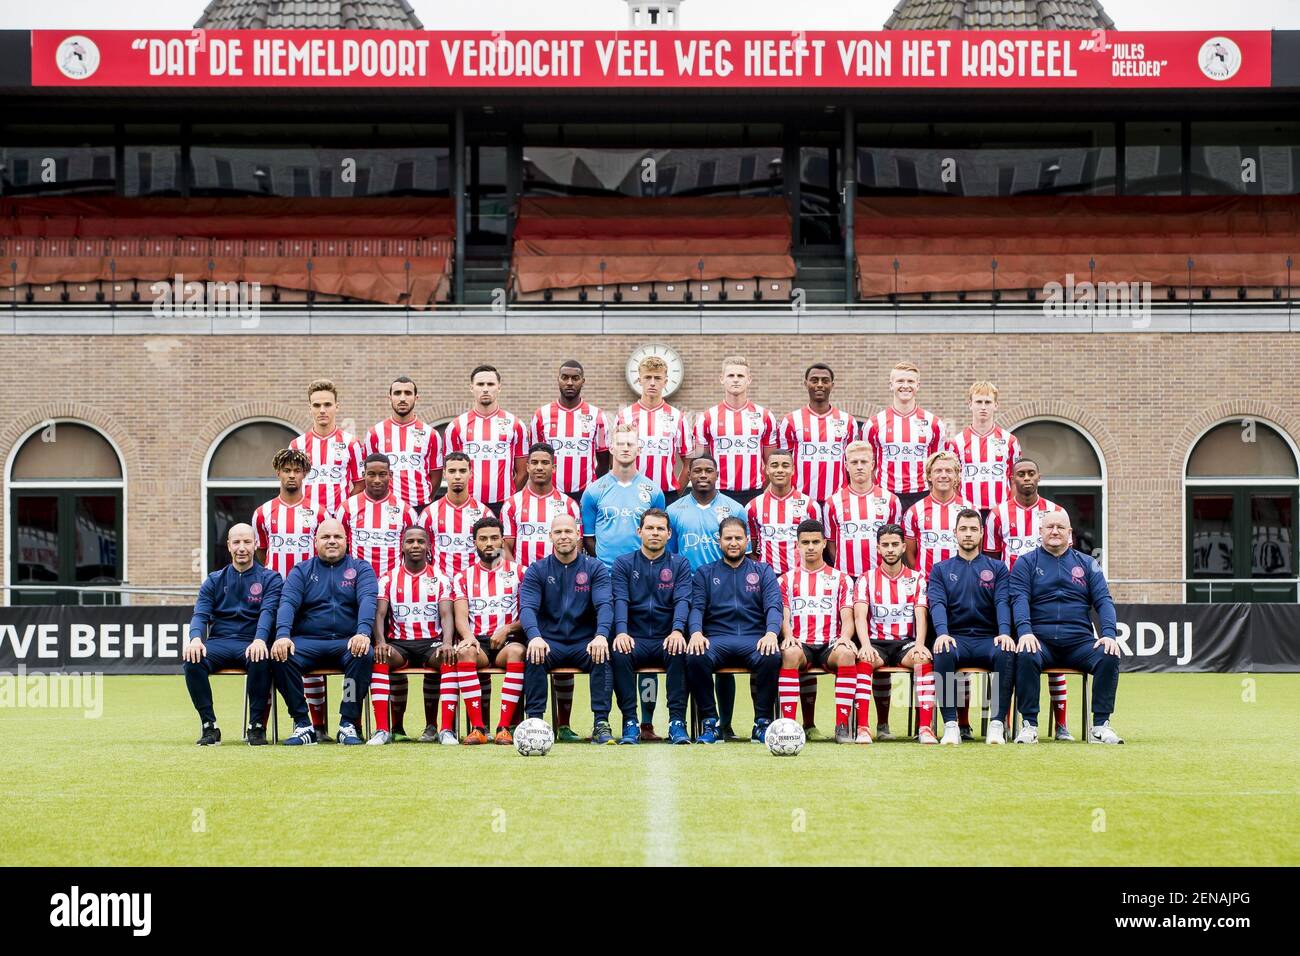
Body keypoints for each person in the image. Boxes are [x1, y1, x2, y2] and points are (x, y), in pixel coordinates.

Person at [1010, 511, 1125, 745]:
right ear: (1040, 532)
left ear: (1070, 533)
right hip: (1041, 641)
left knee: (1108, 654)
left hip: (1079, 643)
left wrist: (1109, 635)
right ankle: (1029, 725)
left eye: (1060, 527)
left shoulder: (1088, 563)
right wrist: (1025, 632)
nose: (1054, 531)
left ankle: (1100, 725)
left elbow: (1104, 601)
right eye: (1049, 527)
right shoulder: (1026, 562)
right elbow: (1019, 599)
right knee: (1025, 653)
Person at [581, 424, 666, 738]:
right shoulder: (595, 490)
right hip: (606, 578)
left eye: (631, 443)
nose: (626, 448)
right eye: (620, 443)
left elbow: (658, 532)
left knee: (645, 647)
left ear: (639, 448)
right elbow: (588, 538)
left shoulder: (652, 490)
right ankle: (606, 720)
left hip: (646, 577)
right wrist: (609, 568)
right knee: (609, 647)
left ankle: (646, 722)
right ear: (611, 449)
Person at [983, 456, 1073, 739]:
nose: (1026, 478)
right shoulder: (997, 514)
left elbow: (1067, 555)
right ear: (1012, 479)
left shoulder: (1055, 512)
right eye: (1020, 474)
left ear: (1038, 477)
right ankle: (1002, 721)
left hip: (1044, 597)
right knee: (1006, 659)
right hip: (1008, 597)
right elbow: (992, 560)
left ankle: (1061, 723)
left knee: (1053, 657)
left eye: (1030, 473)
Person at [270, 519, 378, 745]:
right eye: (325, 537)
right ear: (315, 541)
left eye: (337, 537)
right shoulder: (301, 570)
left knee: (364, 654)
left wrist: (363, 633)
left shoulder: (361, 568)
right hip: (308, 641)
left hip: (346, 642)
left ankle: (347, 722)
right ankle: (303, 723)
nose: (331, 541)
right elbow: (287, 603)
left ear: (346, 541)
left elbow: (368, 601)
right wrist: (282, 635)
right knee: (280, 656)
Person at [667, 455, 747, 739]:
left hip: (722, 595)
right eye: (697, 470)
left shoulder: (734, 508)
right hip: (687, 594)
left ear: (717, 474)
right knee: (690, 657)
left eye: (708, 470)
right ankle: (687, 721)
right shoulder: (674, 510)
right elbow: (672, 556)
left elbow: (742, 555)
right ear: (688, 474)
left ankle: (724, 724)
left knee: (723, 661)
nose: (702, 475)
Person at [518, 514, 616, 744]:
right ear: (550, 536)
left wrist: (601, 635)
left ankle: (601, 723)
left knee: (602, 654)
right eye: (559, 532)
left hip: (584, 642)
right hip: (550, 642)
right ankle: (535, 723)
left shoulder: (595, 568)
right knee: (534, 655)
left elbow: (605, 604)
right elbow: (527, 608)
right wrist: (534, 637)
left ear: (578, 535)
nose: (564, 536)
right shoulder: (537, 570)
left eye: (568, 531)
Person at [253, 447, 329, 738]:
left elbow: (324, 551)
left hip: (310, 597)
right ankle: (259, 725)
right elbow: (262, 551)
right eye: (287, 470)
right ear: (278, 473)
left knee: (310, 662)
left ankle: (318, 725)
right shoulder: (263, 513)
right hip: (274, 596)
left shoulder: (319, 512)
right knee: (270, 659)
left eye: (297, 471)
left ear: (305, 474)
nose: (292, 475)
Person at [685, 517, 783, 744]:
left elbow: (773, 606)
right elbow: (697, 607)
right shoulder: (704, 573)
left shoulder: (763, 570)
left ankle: (762, 723)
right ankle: (710, 723)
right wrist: (697, 633)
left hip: (754, 638)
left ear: (747, 541)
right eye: (728, 538)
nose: (733, 543)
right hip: (717, 638)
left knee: (771, 655)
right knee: (695, 655)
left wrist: (770, 633)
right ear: (718, 541)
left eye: (738, 538)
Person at [182, 523, 282, 746]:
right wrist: (196, 639)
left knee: (261, 656)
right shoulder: (214, 579)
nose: (242, 547)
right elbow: (200, 614)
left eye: (247, 541)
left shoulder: (271, 578)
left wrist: (259, 640)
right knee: (192, 659)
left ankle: (256, 727)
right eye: (236, 542)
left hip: (251, 642)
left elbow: (268, 613)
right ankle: (209, 726)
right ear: (229, 546)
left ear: (256, 544)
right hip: (220, 643)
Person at [747, 447, 823, 735]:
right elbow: (753, 547)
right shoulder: (753, 507)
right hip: (766, 587)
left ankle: (809, 722)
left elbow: (816, 543)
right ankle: (762, 719)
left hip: (799, 585)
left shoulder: (809, 504)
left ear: (793, 469)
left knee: (799, 648)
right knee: (763, 652)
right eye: (774, 465)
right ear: (766, 469)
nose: (780, 470)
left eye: (785, 465)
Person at [926, 509, 1015, 746]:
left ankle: (996, 725)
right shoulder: (940, 569)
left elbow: (1002, 602)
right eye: (963, 529)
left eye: (973, 529)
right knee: (943, 649)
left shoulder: (997, 568)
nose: (968, 534)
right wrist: (942, 632)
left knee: (1006, 651)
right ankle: (951, 726)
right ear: (955, 533)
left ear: (982, 533)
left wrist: (1004, 632)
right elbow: (937, 604)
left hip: (988, 639)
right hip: (957, 638)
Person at [903, 449, 976, 737]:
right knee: (931, 657)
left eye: (949, 471)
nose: (944, 475)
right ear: (929, 476)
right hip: (928, 594)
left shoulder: (967, 508)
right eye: (938, 470)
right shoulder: (916, 511)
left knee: (962, 662)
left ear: (958, 477)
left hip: (963, 593)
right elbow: (910, 554)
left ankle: (963, 720)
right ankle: (928, 722)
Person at [609, 509, 693, 745]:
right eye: (649, 528)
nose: (654, 533)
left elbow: (683, 599)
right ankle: (630, 722)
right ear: (639, 531)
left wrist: (677, 630)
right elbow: (620, 599)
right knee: (619, 651)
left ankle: (677, 722)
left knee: (679, 650)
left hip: (666, 637)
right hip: (634, 637)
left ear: (669, 534)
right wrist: (622, 631)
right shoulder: (624, 563)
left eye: (660, 529)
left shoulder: (680, 563)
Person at [368, 526, 454, 745]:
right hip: (400, 644)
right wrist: (380, 642)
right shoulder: (388, 579)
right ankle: (382, 729)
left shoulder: (441, 578)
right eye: (410, 542)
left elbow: (446, 615)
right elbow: (379, 614)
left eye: (420, 542)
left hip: (431, 643)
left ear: (428, 546)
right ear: (402, 546)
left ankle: (442, 729)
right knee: (380, 657)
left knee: (448, 657)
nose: (415, 546)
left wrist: (446, 643)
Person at [777, 520, 857, 744]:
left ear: (824, 543)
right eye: (805, 543)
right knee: (790, 654)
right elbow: (784, 615)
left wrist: (845, 638)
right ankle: (789, 727)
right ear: (797, 546)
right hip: (801, 643)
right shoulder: (785, 579)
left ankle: (842, 726)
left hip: (829, 642)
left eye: (815, 542)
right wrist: (788, 635)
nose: (810, 547)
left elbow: (847, 617)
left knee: (848, 654)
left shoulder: (841, 579)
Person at [451, 515, 526, 746]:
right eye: (483, 538)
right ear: (474, 542)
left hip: (509, 640)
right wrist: (469, 637)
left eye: (494, 538)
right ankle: (479, 728)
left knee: (517, 652)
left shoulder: (520, 572)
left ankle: (504, 728)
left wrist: (507, 628)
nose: (489, 543)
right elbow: (460, 616)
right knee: (464, 652)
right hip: (479, 641)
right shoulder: (463, 576)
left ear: (503, 541)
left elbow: (529, 614)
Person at [852, 524, 930, 744]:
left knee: (922, 659)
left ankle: (924, 728)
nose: (890, 549)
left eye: (895, 544)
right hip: (876, 642)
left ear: (904, 547)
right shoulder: (866, 579)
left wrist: (920, 644)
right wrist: (865, 645)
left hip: (905, 643)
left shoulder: (917, 579)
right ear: (878, 548)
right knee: (865, 659)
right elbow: (860, 616)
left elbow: (920, 615)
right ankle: (864, 728)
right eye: (885, 545)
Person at [688, 355, 780, 506]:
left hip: (754, 493)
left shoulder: (765, 416)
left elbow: (771, 462)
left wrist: (760, 487)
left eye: (740, 375)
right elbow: (701, 462)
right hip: (718, 493)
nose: (736, 379)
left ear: (749, 379)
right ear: (722, 379)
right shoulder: (707, 417)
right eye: (731, 375)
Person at [864, 362, 947, 514]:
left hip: (923, 494)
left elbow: (937, 463)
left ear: (918, 385)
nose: (905, 385)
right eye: (900, 381)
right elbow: (869, 463)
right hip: (886, 493)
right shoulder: (874, 423)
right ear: (891, 385)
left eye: (910, 381)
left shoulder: (934, 424)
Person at [445, 364, 528, 515]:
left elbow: (522, 472)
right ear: (471, 388)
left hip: (503, 504)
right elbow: (451, 469)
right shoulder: (456, 426)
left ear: (499, 387)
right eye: (480, 384)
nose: (485, 389)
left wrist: (509, 498)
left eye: (490, 384)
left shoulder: (515, 425)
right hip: (467, 503)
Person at [614, 353, 692, 504]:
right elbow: (614, 461)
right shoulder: (624, 416)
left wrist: (676, 494)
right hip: (631, 494)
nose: (652, 383)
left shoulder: (678, 417)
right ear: (639, 380)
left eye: (657, 378)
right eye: (647, 377)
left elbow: (688, 462)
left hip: (665, 495)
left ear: (665, 381)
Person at [778, 363, 859, 504]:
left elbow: (851, 462)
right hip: (800, 499)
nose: (820, 385)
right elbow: (783, 462)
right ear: (806, 383)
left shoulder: (848, 421)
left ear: (832, 385)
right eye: (814, 380)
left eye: (825, 381)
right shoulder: (791, 420)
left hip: (838, 500)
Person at [530, 360, 610, 499]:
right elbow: (534, 459)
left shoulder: (598, 416)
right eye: (565, 377)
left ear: (583, 381)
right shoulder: (541, 415)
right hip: (551, 494)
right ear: (558, 379)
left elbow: (604, 461)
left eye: (575, 378)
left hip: (586, 495)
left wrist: (594, 489)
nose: (569, 382)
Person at [823, 441, 903, 578]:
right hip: (846, 577)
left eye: (864, 462)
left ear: (872, 465)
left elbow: (895, 542)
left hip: (880, 577)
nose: (859, 467)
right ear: (846, 466)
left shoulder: (891, 501)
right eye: (854, 463)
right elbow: (831, 543)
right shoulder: (832, 502)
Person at [364, 376, 444, 512]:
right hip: (385, 506)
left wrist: (423, 498)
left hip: (419, 506)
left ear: (416, 398)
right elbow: (369, 474)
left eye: (407, 393)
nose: (402, 398)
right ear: (389, 398)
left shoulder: (431, 434)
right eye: (397, 393)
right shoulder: (375, 433)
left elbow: (436, 475)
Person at [501, 442, 583, 569]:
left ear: (554, 467)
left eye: (545, 463)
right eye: (534, 462)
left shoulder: (569, 505)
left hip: (558, 579)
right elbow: (505, 547)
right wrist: (518, 575)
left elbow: (576, 546)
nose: (539, 467)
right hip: (524, 581)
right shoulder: (511, 504)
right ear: (527, 467)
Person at [945, 381, 1021, 517]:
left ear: (996, 405)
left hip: (1000, 511)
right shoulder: (956, 442)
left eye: (988, 402)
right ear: (970, 405)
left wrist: (1011, 508)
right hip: (967, 512)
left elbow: (1014, 479)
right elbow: (953, 481)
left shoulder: (1010, 441)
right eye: (979, 402)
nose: (983, 407)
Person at [290, 378, 364, 516]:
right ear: (310, 408)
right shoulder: (296, 445)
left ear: (337, 406)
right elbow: (291, 484)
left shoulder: (351, 444)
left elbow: (360, 484)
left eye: (327, 404)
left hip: (338, 520)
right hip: (305, 518)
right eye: (317, 405)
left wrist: (344, 508)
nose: (322, 410)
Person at [340, 453, 419, 581]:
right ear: (363, 475)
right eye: (371, 474)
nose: (377, 480)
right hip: (357, 581)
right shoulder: (347, 508)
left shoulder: (406, 511)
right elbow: (341, 547)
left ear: (390, 475)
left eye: (382, 474)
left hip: (393, 583)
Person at [419, 451, 488, 581]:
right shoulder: (429, 513)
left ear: (470, 473)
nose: (457, 476)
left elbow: (494, 553)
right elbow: (421, 553)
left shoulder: (484, 513)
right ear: (444, 474)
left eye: (462, 471)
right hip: (439, 585)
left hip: (474, 585)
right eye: (452, 471)